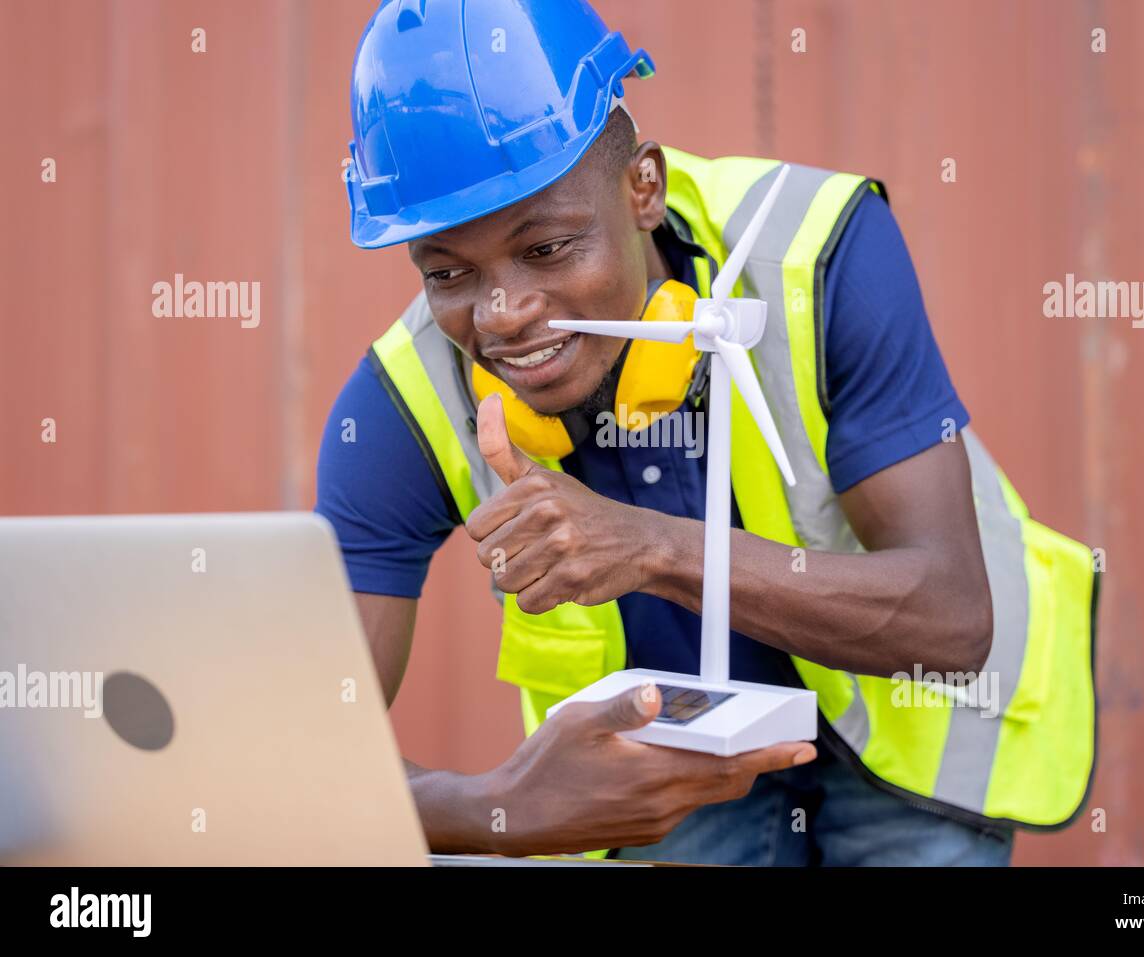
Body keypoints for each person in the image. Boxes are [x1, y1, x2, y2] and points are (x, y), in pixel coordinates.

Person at [317, 0, 1098, 865]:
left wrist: (652, 547)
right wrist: (497, 806)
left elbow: (951, 620)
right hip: (670, 781)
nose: (505, 314)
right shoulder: (398, 402)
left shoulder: (817, 250)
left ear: (641, 187)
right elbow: (297, 759)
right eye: (451, 272)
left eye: (546, 249)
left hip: (909, 754)